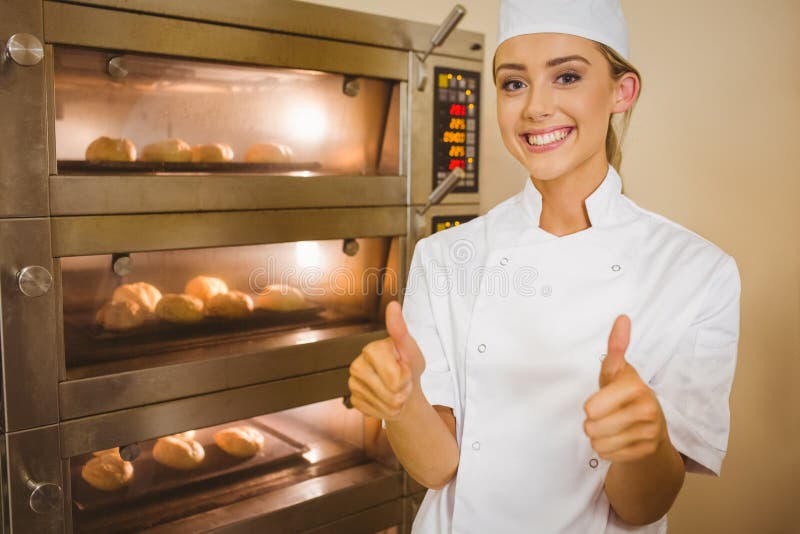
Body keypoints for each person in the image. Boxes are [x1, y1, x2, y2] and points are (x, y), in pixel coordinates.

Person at [347, 0, 742, 532]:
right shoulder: (446, 257)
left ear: (621, 93)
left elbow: (642, 507)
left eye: (568, 76)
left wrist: (643, 442)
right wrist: (400, 404)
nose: (535, 107)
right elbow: (437, 468)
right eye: (514, 84)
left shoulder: (698, 274)